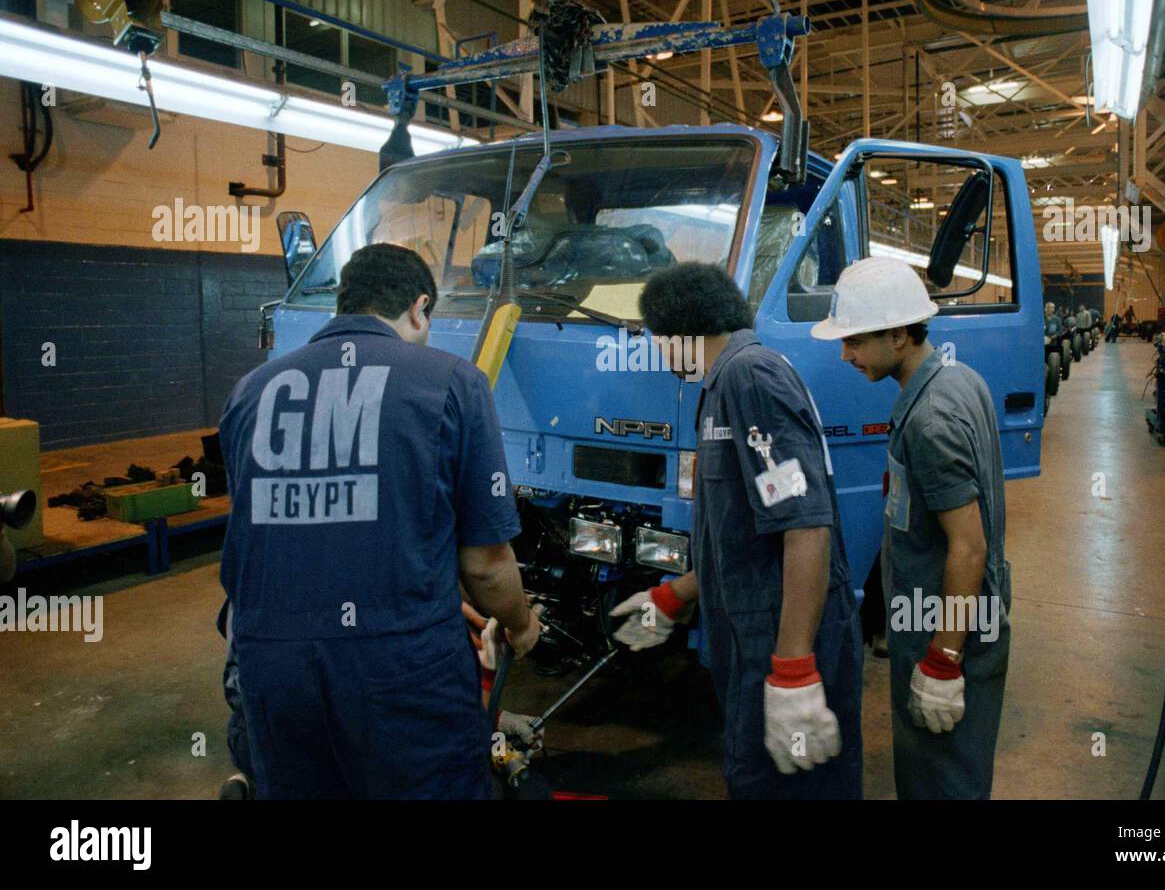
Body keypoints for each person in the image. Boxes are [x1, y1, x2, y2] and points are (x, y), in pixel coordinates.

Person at [218, 242, 540, 799]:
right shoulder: (454, 382)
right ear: (420, 308)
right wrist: (518, 622)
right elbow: (486, 565)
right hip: (402, 669)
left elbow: (266, 534)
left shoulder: (252, 390)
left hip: (269, 663)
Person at [609, 263, 863, 799]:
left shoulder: (750, 378)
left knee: (780, 786)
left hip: (779, 640)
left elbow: (805, 525)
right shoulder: (725, 384)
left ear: (676, 333)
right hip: (757, 637)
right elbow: (748, 534)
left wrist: (793, 670)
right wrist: (674, 596)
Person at [813, 257, 1010, 800]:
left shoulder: (930, 420)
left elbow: (969, 548)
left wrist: (943, 659)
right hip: (951, 617)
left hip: (942, 626)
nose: (845, 354)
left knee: (940, 784)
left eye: (854, 340)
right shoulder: (958, 379)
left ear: (899, 334)